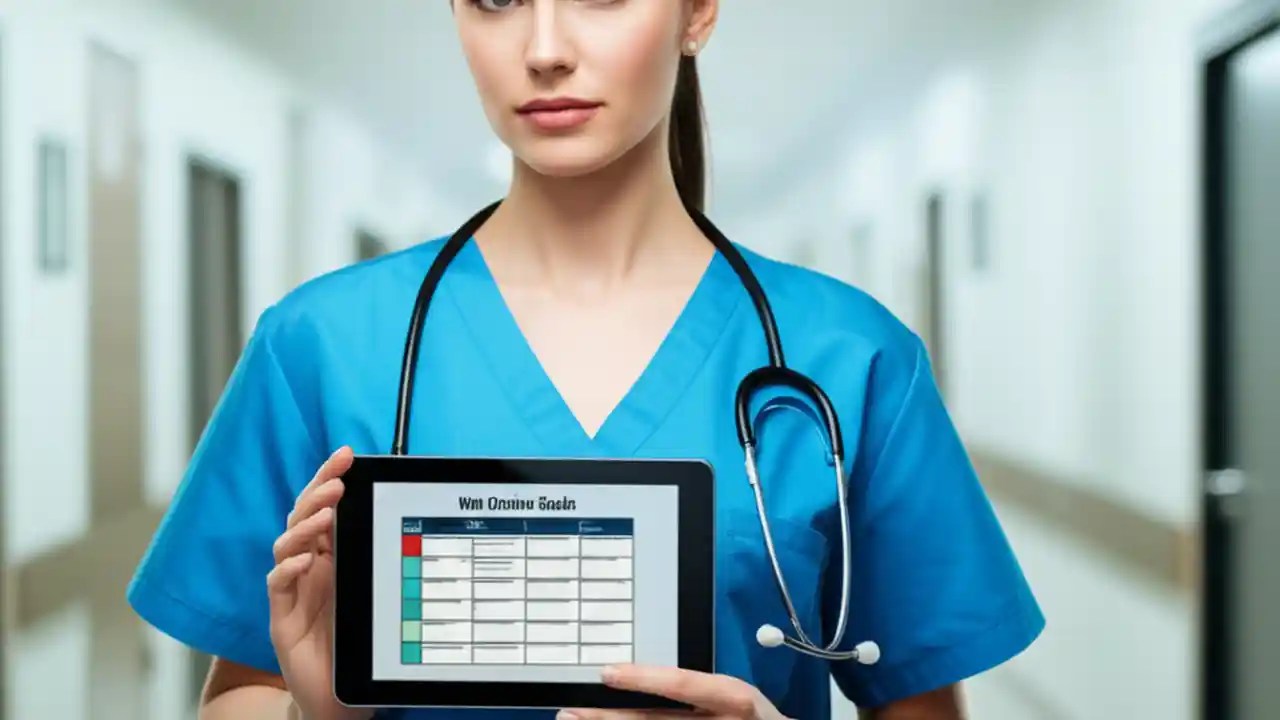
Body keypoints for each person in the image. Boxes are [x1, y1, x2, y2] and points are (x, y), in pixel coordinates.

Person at [127, 1, 1044, 718]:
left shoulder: (849, 358)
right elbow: (239, 690)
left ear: (697, 11)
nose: (543, 49)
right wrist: (317, 714)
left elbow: (920, 704)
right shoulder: (321, 345)